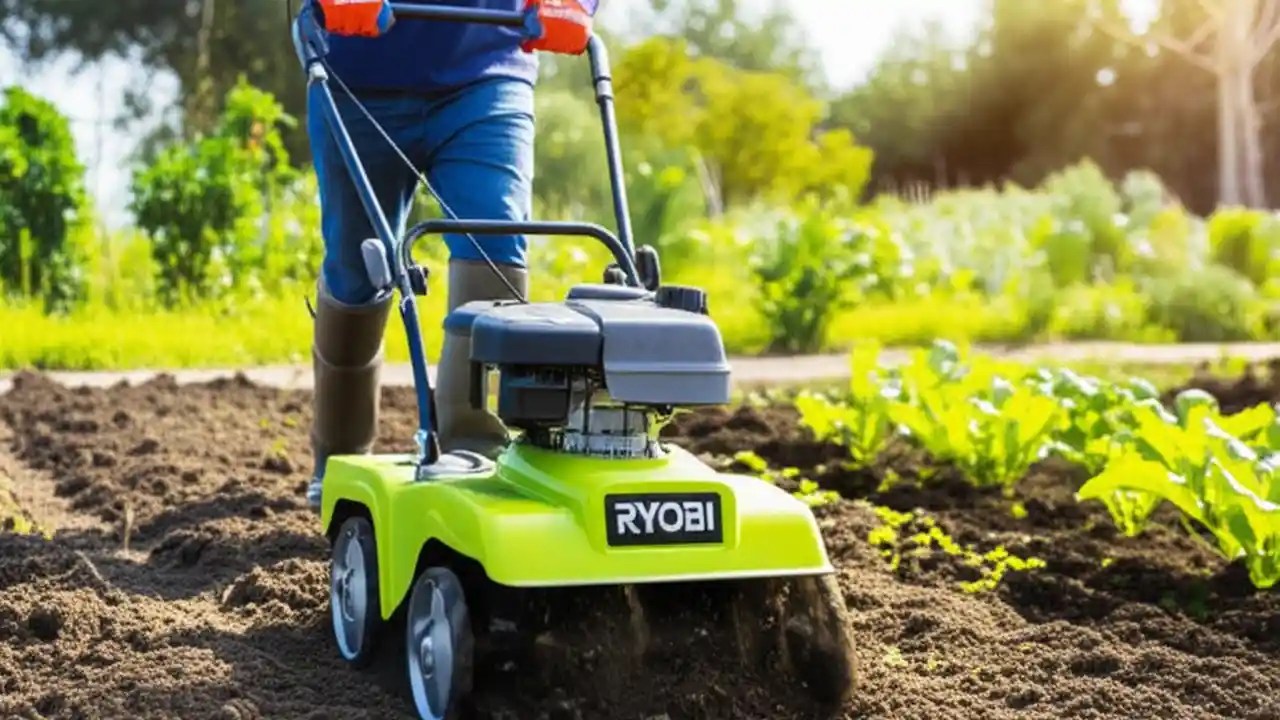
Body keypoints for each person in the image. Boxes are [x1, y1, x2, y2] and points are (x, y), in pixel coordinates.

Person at [302, 0, 538, 509]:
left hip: (488, 68)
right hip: (356, 73)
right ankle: (340, 453)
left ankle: (475, 446)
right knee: (355, 268)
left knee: (494, 239)